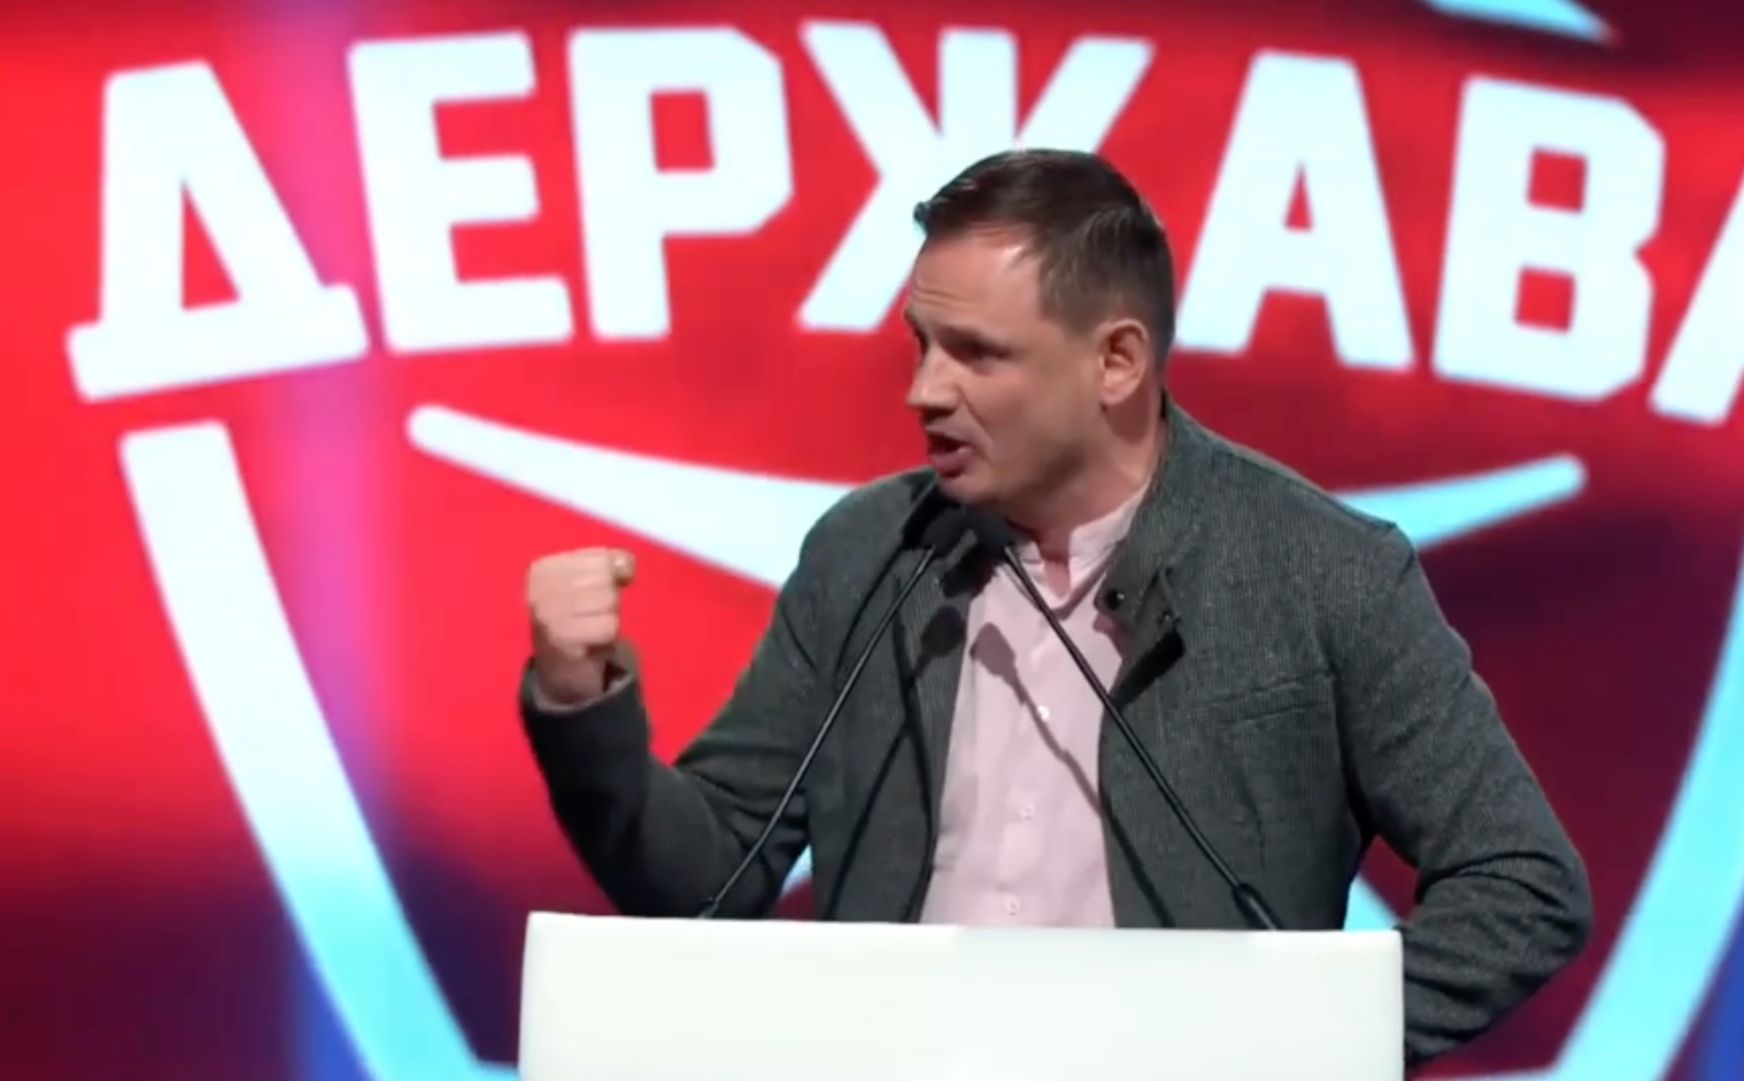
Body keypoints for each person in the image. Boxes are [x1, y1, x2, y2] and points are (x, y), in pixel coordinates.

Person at [520, 148, 1591, 1068]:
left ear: (1116, 361)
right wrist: (582, 702)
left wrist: (1296, 1049)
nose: (925, 390)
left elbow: (1523, 886)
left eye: (977, 354)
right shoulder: (868, 553)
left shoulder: (1321, 572)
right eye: (922, 343)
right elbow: (704, 878)